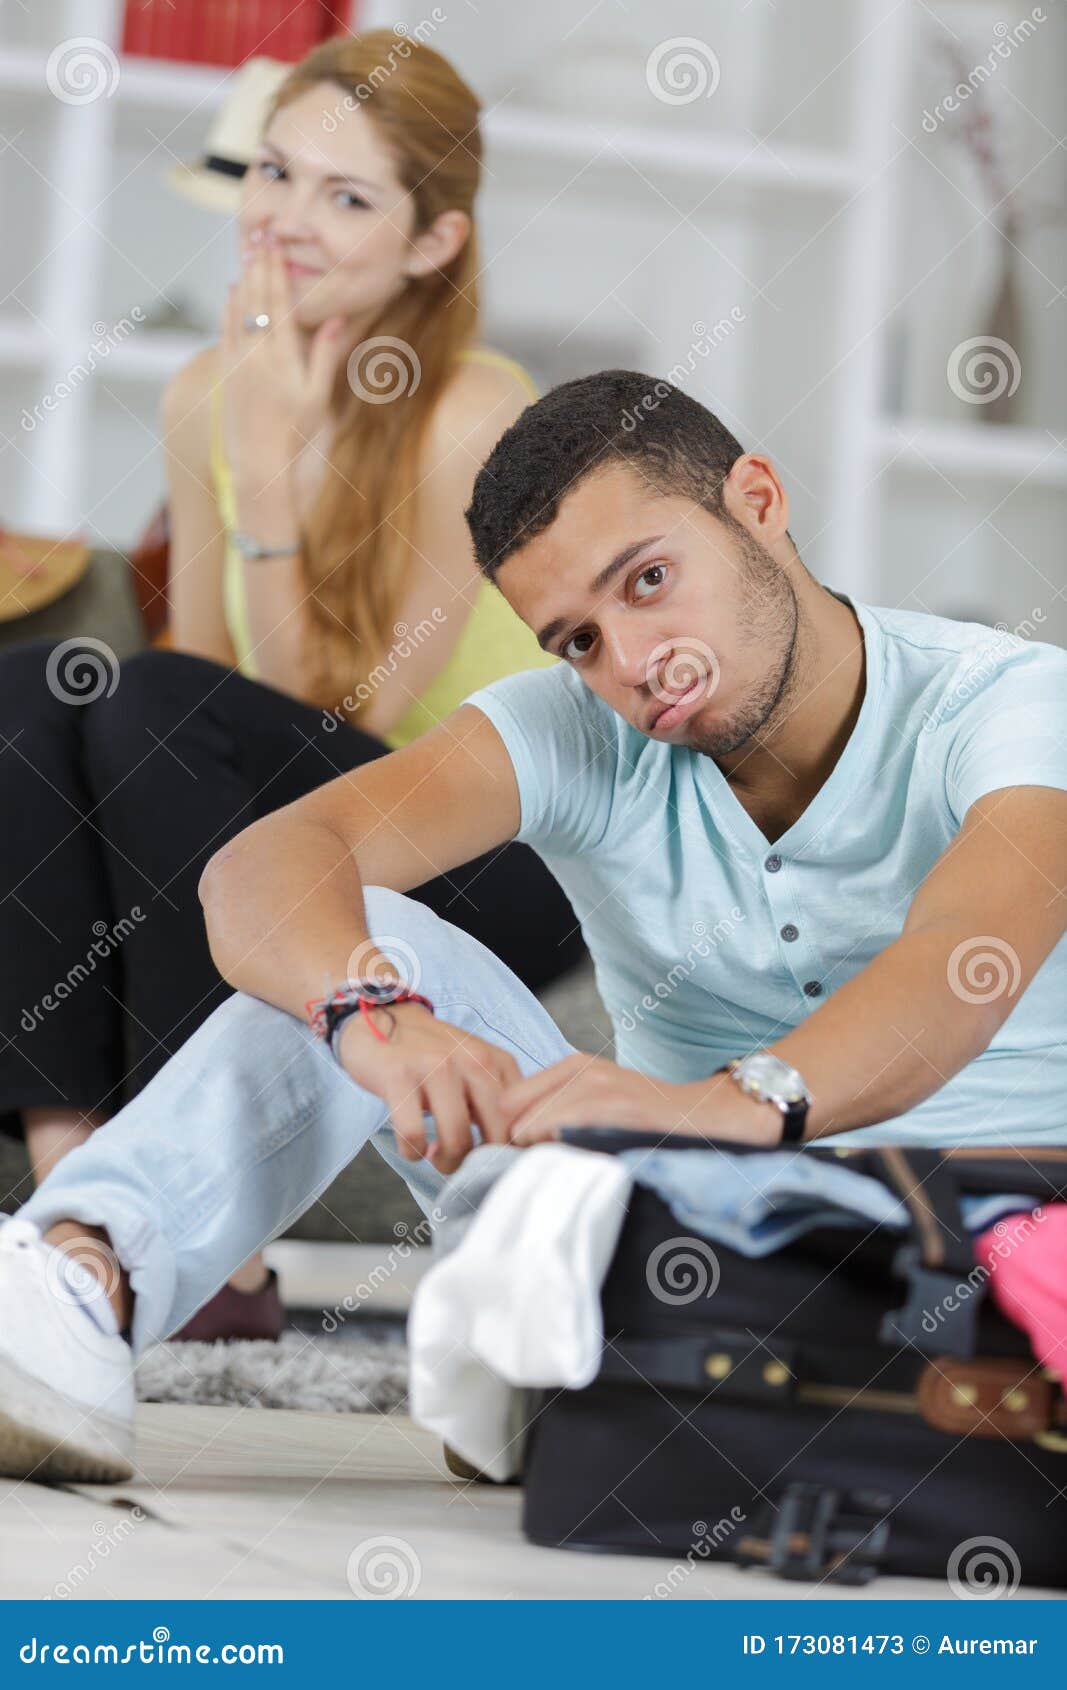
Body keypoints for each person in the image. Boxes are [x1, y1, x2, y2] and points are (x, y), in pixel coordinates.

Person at [2, 368, 1066, 1483]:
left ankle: (552, 1369)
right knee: (359, 935)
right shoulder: (579, 731)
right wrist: (371, 1012)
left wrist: (719, 1108)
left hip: (978, 1259)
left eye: (649, 579)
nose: (633, 663)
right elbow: (262, 867)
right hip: (669, 1241)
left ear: (756, 500)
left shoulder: (1006, 704)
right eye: (577, 639)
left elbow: (960, 957)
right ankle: (83, 1287)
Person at [0, 31, 584, 1339]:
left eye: (346, 195)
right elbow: (201, 684)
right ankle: (68, 1185)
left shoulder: (474, 415)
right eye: (274, 174)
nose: (287, 220)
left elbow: (348, 720)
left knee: (141, 705)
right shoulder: (211, 388)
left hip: (480, 844)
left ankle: (221, 1259)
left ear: (431, 243)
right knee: (45, 688)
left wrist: (269, 480)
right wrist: (242, 426)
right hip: (297, 814)